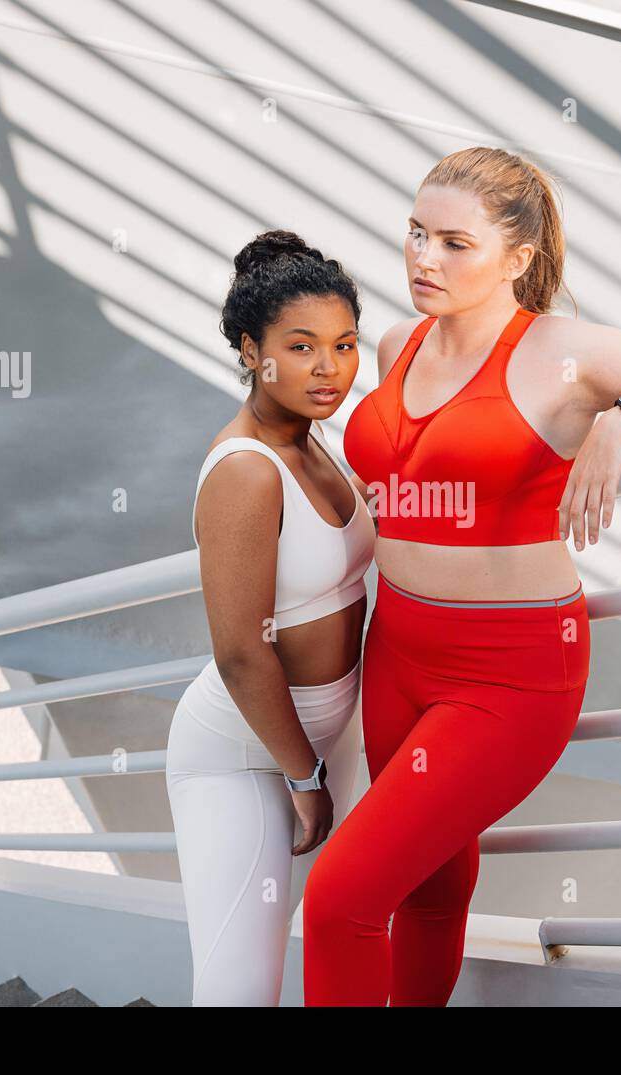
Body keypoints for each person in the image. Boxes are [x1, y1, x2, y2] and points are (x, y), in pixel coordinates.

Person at [301, 146, 621, 1006]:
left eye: (455, 243)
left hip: (508, 675)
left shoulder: (562, 355)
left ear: (517, 260)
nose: (423, 258)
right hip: (398, 646)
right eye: (416, 233)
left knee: (340, 898)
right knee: (427, 888)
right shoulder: (395, 343)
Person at [165, 230, 376, 1005]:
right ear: (254, 351)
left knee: (356, 922)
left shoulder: (318, 444)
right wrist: (305, 776)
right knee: (239, 986)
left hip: (330, 731)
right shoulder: (246, 472)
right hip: (246, 751)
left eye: (345, 345)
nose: (330, 369)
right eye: (302, 347)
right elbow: (240, 654)